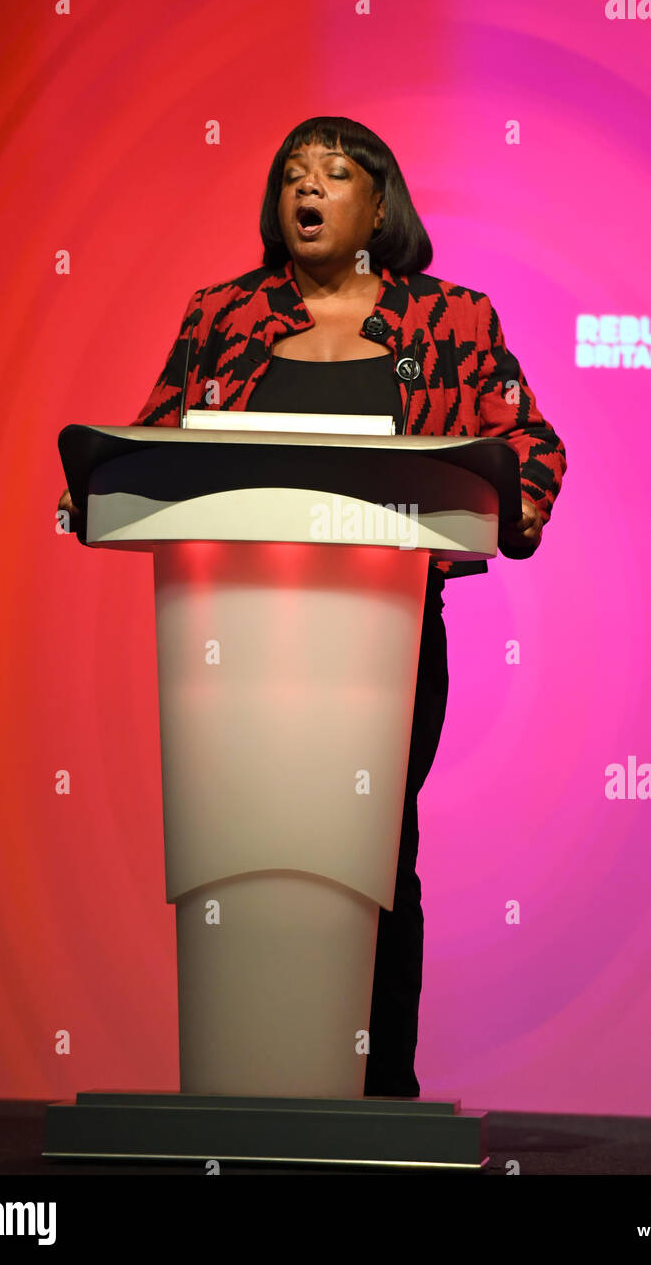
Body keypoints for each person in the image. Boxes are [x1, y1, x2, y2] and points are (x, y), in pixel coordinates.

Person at [58, 115, 567, 1098]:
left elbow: (529, 445)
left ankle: (378, 1096)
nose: (309, 188)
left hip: (384, 634)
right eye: (292, 173)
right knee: (244, 842)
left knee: (376, 845)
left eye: (335, 174)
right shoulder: (223, 314)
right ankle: (247, 1080)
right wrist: (97, 488)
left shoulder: (449, 320)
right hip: (234, 639)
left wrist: (505, 512)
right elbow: (151, 439)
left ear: (379, 204)